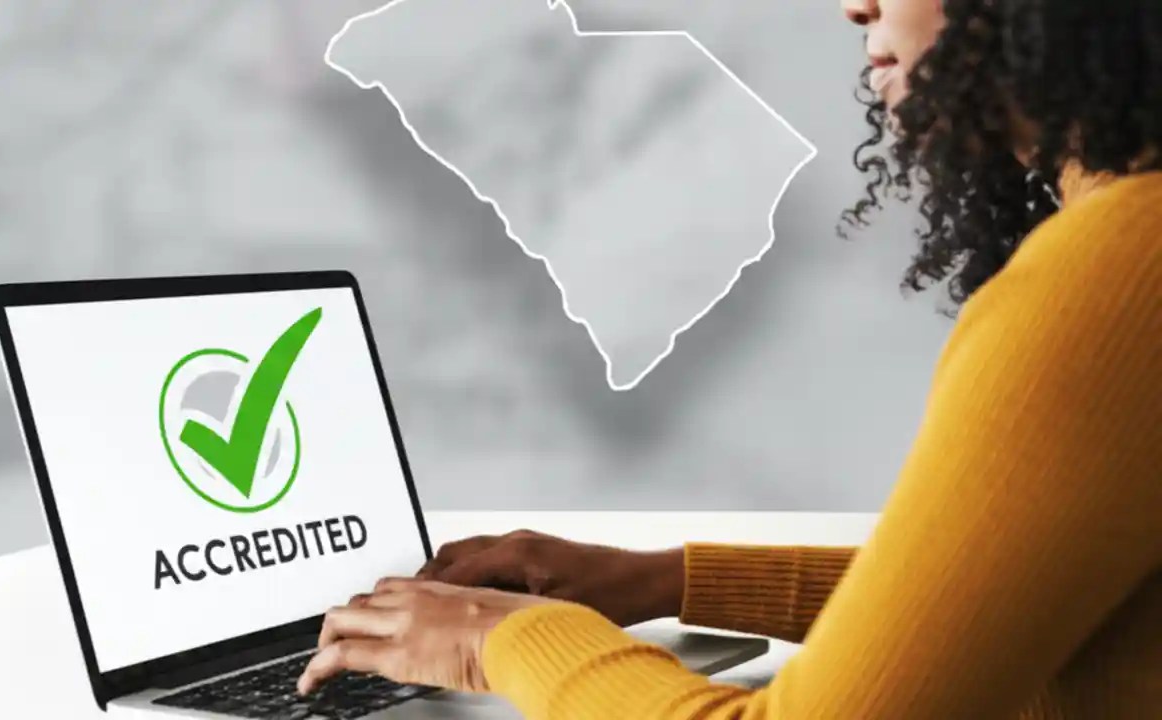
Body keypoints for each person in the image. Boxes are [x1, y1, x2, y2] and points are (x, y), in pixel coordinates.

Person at [297, 0, 1162, 717]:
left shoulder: (1113, 273)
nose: (853, 4)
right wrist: (656, 580)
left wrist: (496, 640)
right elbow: (983, 600)